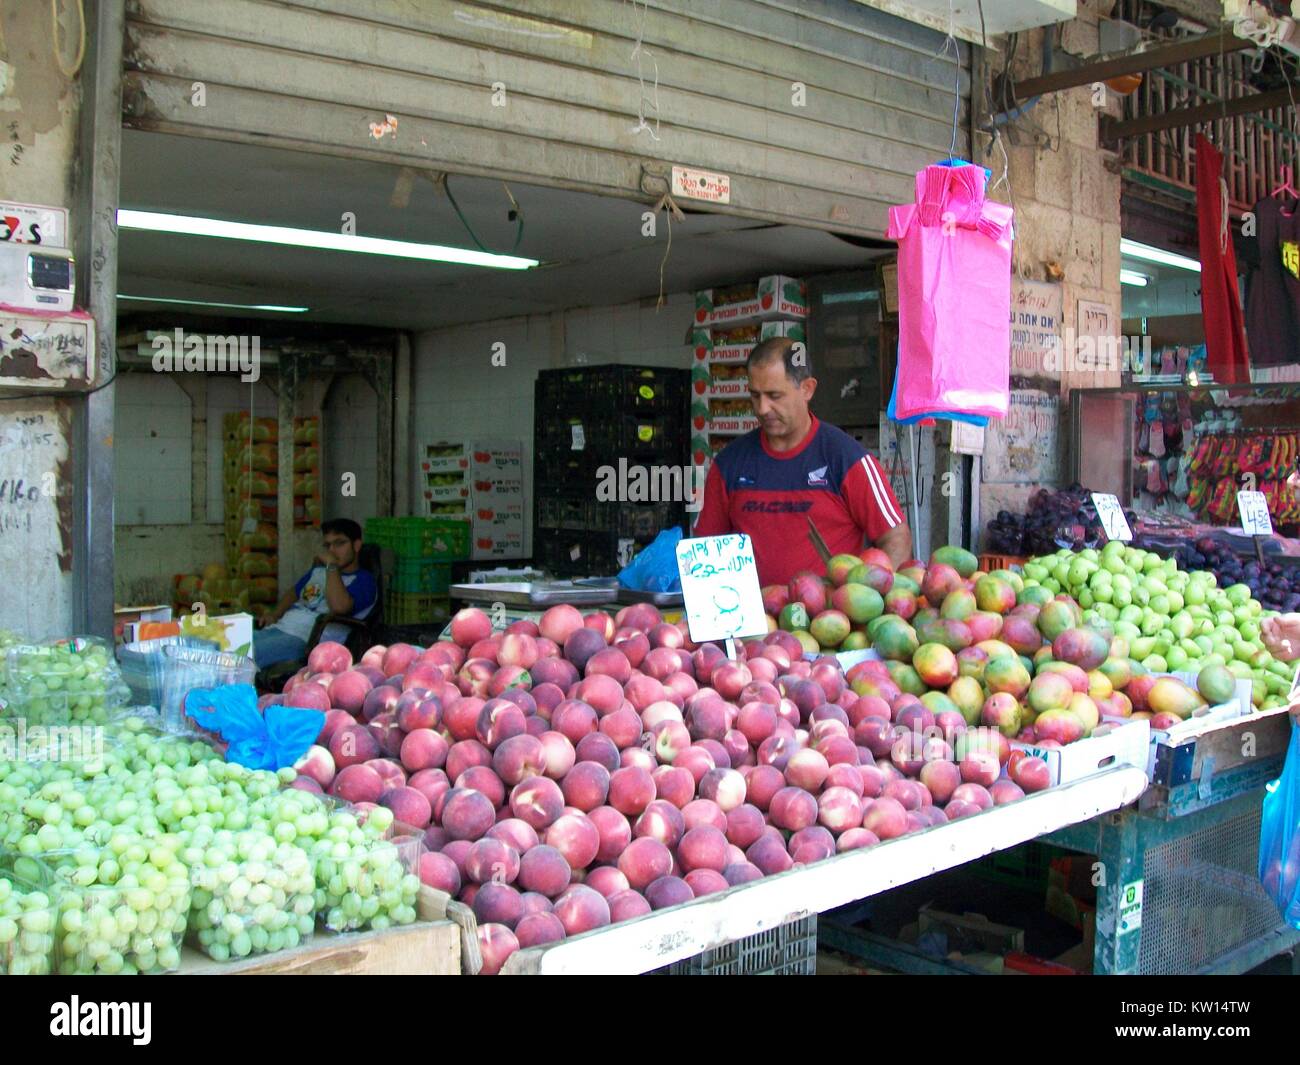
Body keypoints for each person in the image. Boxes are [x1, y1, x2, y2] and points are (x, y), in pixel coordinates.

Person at [693, 337, 913, 585]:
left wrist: (870, 600)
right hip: (751, 621)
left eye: (774, 395)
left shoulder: (847, 459)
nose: (763, 408)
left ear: (807, 389)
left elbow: (896, 537)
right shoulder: (729, 464)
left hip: (828, 622)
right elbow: (705, 548)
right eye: (755, 396)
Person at [253, 518, 378, 668]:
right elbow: (294, 592)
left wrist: (332, 566)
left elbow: (339, 607)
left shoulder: (365, 580)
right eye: (328, 545)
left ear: (356, 545)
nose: (332, 550)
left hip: (306, 641)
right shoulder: (318, 572)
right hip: (280, 628)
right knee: (227, 643)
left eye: (339, 543)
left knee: (243, 655)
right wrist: (275, 614)